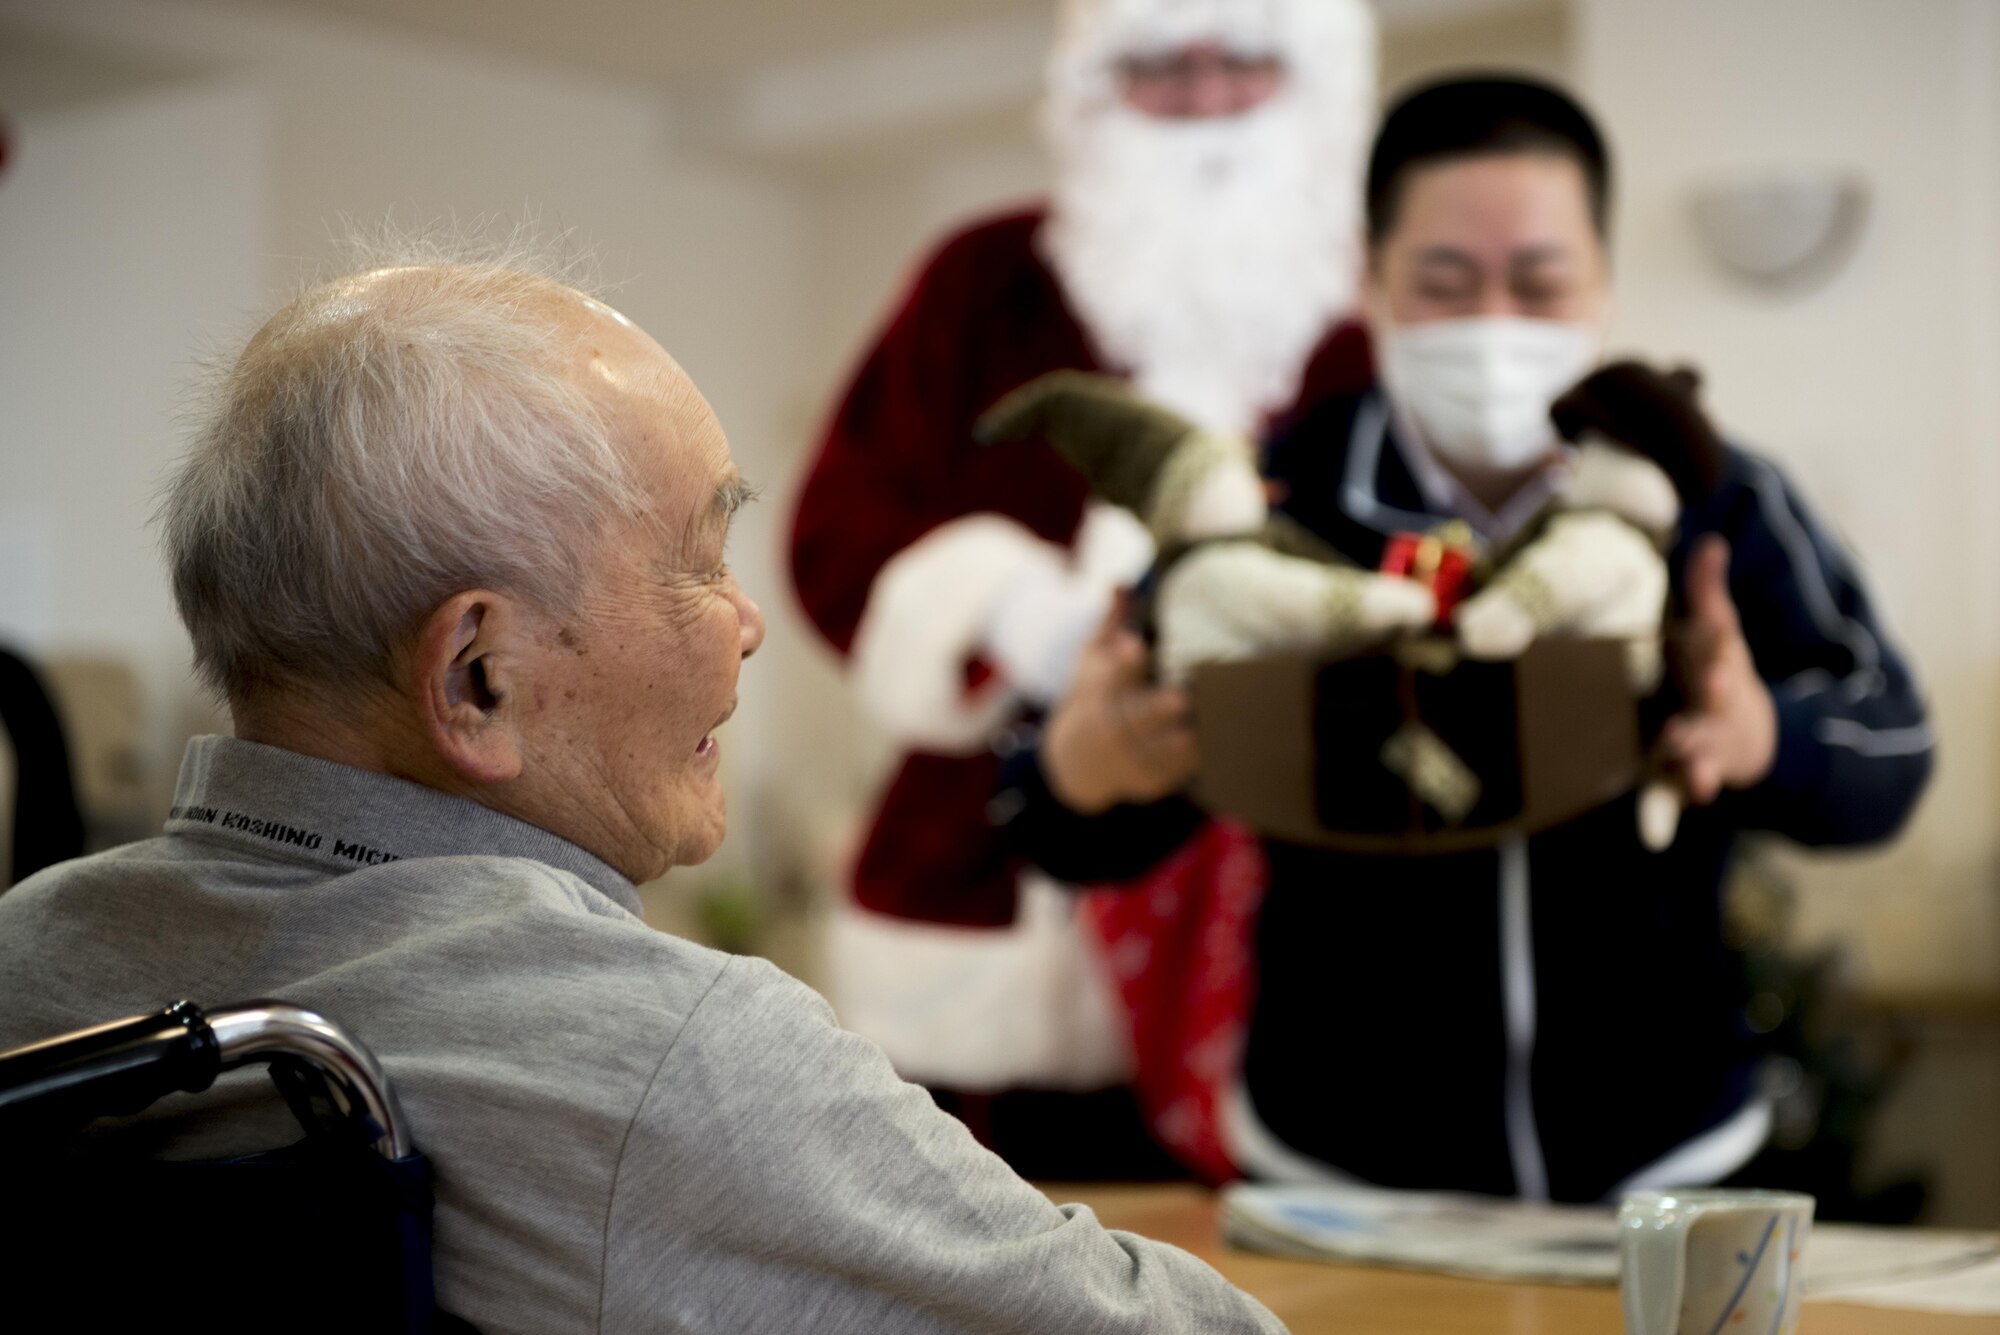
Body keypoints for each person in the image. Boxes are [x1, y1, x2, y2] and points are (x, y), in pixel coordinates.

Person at [0, 251, 1289, 1334]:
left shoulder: (27, 957)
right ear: (479, 675)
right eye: (697, 562)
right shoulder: (673, 1067)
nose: (745, 624)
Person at [997, 76, 1934, 1203]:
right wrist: (1084, 767)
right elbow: (1048, 803)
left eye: (1539, 282)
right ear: (1371, 279)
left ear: (1602, 281)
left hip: (1663, 1163)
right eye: (1444, 283)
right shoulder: (1268, 504)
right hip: (1338, 1173)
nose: (1495, 322)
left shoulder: (1708, 494)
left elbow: (1891, 746)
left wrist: (1757, 736)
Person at [789, 0, 1377, 1178]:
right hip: (982, 907)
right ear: (1094, 88)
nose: (1205, 96)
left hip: (1270, 917)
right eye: (1160, 65)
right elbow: (833, 529)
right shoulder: (986, 280)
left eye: (1244, 61)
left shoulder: (1363, 338)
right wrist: (1008, 613)